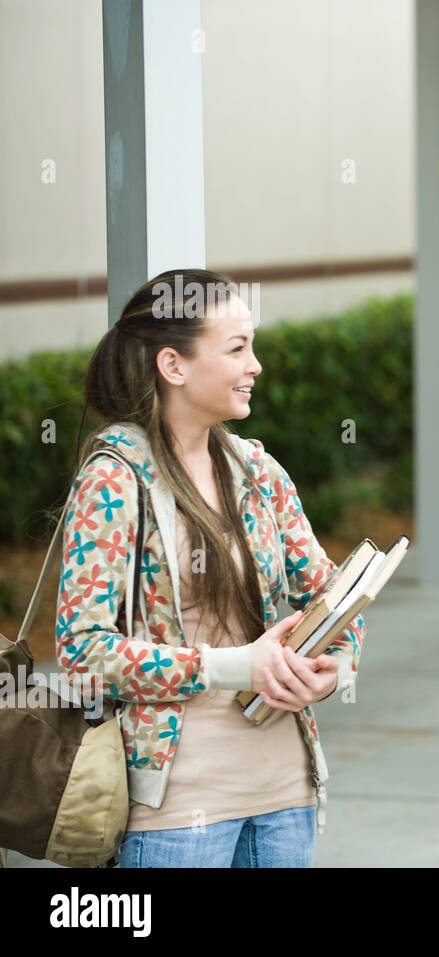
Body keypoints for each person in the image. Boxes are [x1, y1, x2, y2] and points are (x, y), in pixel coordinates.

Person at [55, 269, 364, 867]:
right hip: (175, 810)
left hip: (285, 795)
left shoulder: (257, 470)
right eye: (237, 348)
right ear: (173, 365)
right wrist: (234, 667)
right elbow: (81, 651)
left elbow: (334, 591)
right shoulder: (115, 479)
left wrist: (337, 667)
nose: (257, 365)